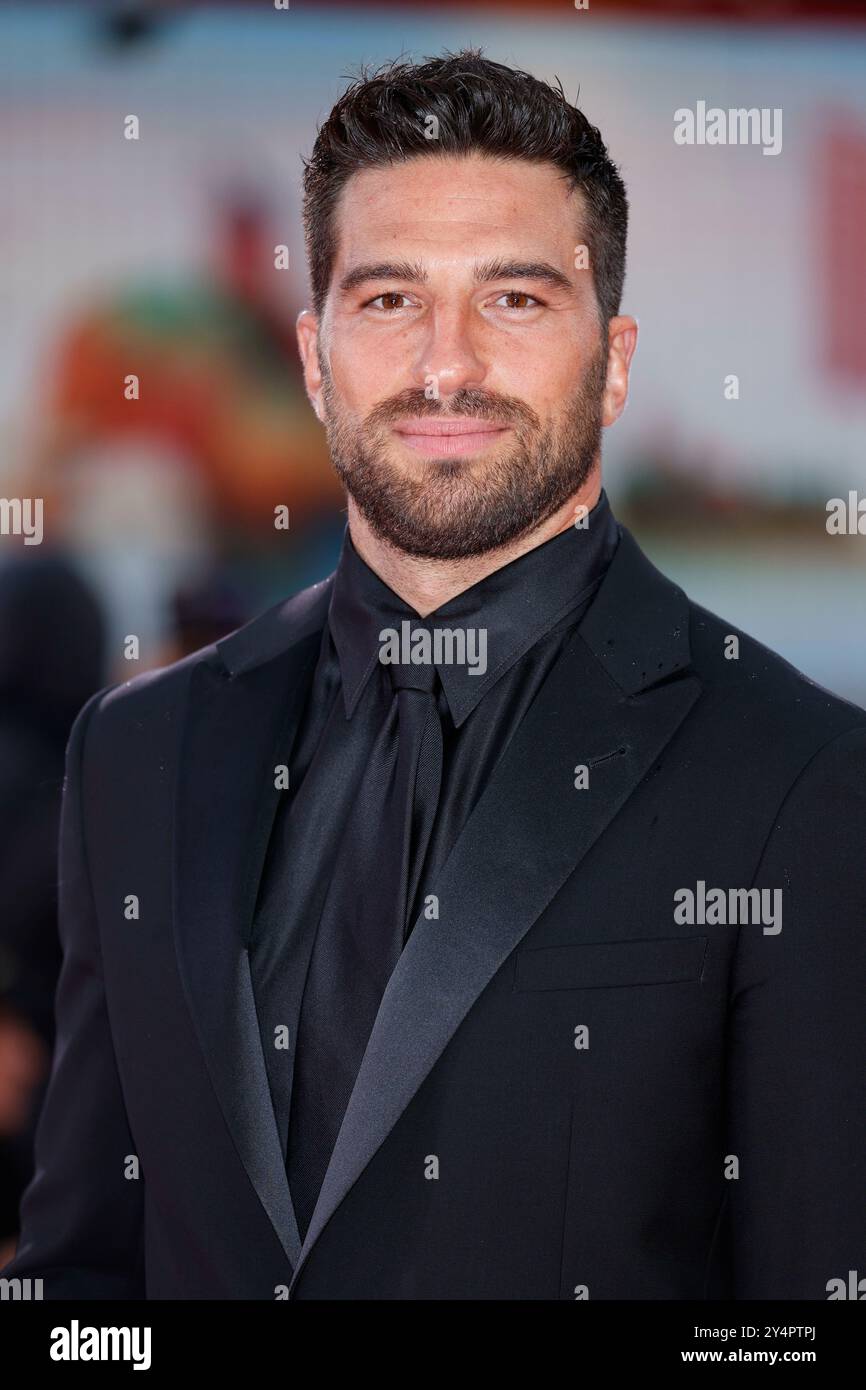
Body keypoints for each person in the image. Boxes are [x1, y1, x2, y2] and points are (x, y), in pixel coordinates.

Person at [4, 50, 865, 1301]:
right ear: (312, 357)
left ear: (612, 360)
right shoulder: (139, 756)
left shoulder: (797, 781)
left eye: (513, 300)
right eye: (389, 299)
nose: (444, 364)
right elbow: (86, 1282)